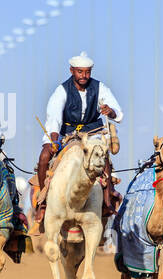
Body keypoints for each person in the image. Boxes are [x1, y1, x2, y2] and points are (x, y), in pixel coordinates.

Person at [32, 51, 123, 226]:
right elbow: (54, 117)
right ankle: (43, 201)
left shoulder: (99, 87)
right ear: (72, 70)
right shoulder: (62, 90)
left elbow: (117, 112)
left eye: (87, 72)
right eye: (80, 72)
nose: (84, 76)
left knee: (102, 157)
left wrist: (110, 111)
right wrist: (54, 139)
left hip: (92, 131)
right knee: (44, 157)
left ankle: (107, 199)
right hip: (64, 132)